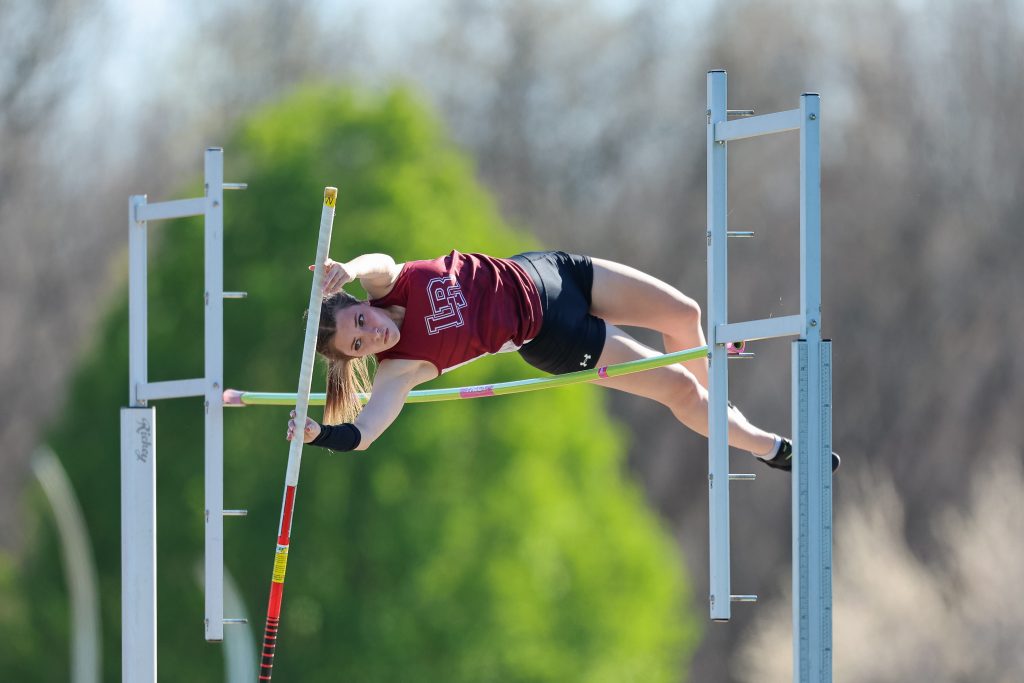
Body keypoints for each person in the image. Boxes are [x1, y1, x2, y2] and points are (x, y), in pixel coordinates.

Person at [285, 250, 838, 472]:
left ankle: (721, 413)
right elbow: (365, 432)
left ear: (360, 303)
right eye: (358, 345)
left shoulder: (390, 283)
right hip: (555, 336)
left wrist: (347, 266)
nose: (372, 336)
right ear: (356, 359)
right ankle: (767, 446)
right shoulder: (400, 368)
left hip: (552, 272)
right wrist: (319, 434)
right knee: (678, 389)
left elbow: (376, 261)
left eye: (361, 322)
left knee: (684, 313)